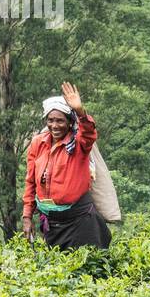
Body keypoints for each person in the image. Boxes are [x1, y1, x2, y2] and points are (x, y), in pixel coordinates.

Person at [22, 81, 111, 250]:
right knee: (58, 271)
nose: (54, 125)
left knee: (88, 269)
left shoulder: (78, 144)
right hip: (52, 225)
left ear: (70, 122)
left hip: (81, 222)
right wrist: (27, 216)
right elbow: (30, 183)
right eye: (50, 120)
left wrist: (79, 111)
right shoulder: (38, 143)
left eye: (60, 121)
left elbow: (89, 133)